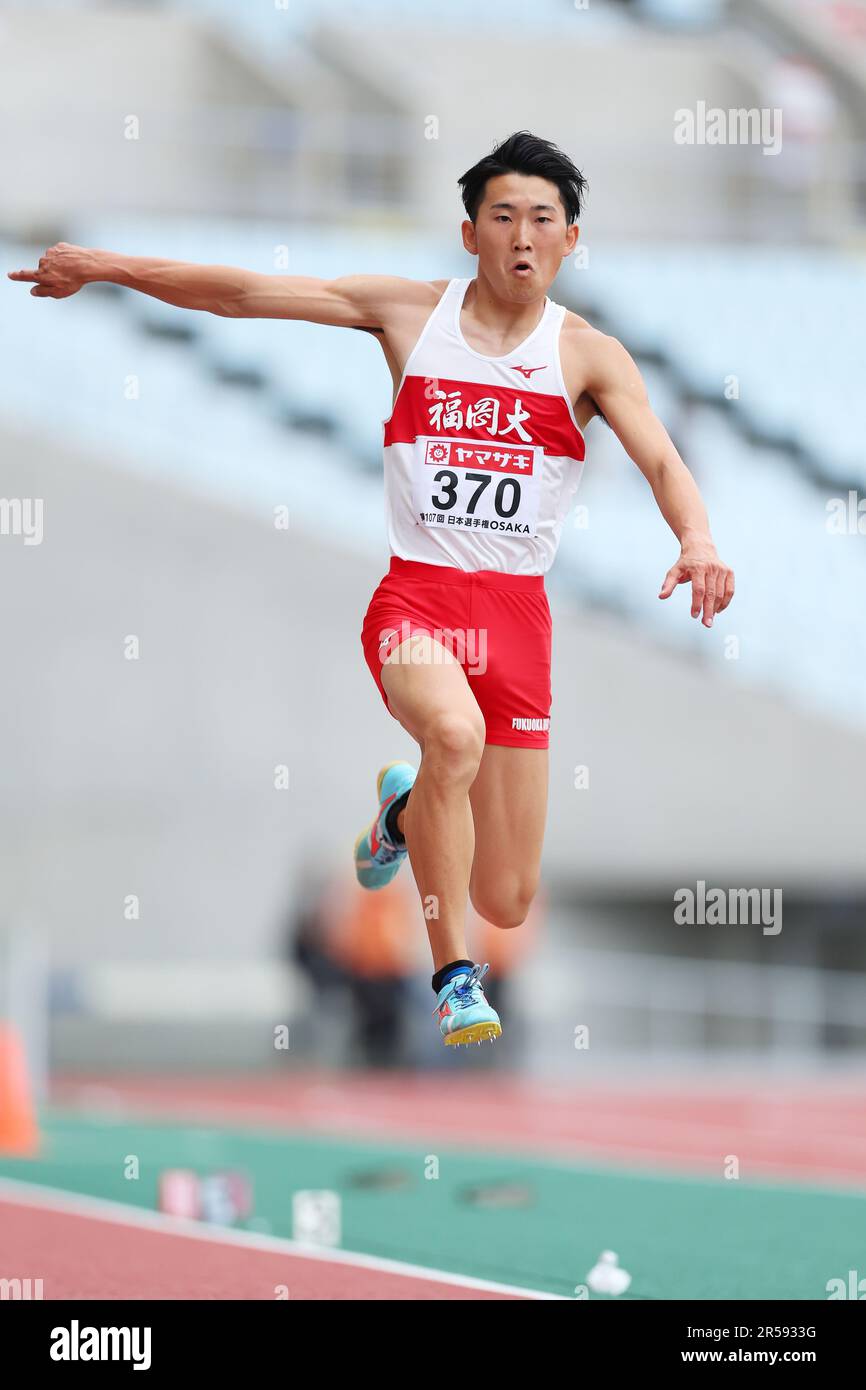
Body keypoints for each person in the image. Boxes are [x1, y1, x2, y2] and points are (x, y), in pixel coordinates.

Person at [8, 130, 735, 1051]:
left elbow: (664, 460)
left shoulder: (591, 356)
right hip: (420, 602)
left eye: (541, 220)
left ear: (570, 240)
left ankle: (400, 811)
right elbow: (243, 295)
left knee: (506, 896)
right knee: (453, 734)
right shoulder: (404, 314)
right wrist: (107, 266)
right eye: (501, 216)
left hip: (518, 619)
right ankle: (453, 977)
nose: (521, 236)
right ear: (469, 233)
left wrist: (699, 538)